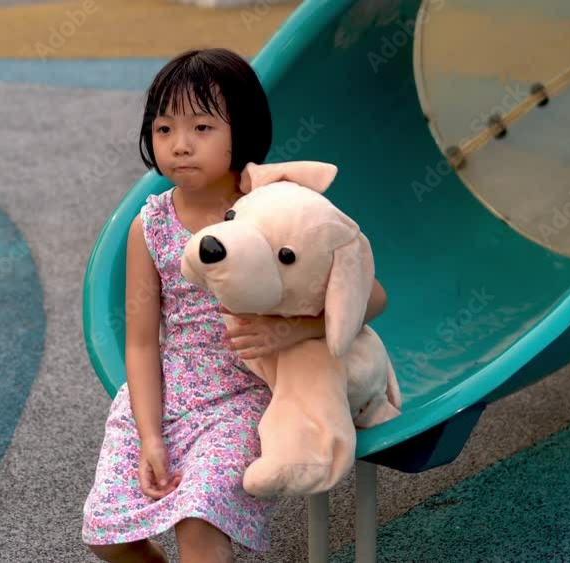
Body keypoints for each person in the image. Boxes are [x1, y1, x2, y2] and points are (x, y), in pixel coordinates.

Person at [81, 47, 388, 562]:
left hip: (248, 390)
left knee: (199, 527)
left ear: (239, 131)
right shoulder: (150, 225)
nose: (180, 145)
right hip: (172, 393)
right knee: (107, 536)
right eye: (163, 130)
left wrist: (298, 331)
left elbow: (371, 297)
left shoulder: (273, 207)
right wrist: (150, 435)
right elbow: (140, 342)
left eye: (202, 128)